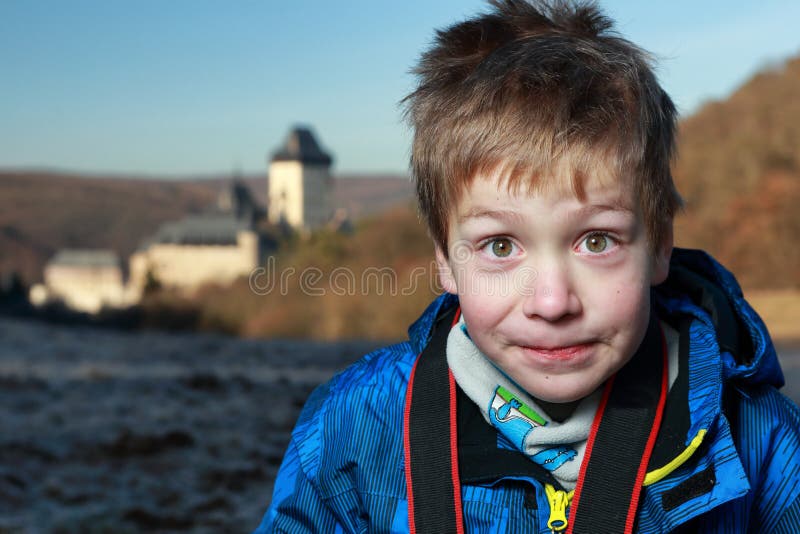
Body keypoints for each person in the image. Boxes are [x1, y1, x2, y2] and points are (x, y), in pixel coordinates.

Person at [254, 1, 800, 532]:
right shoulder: (353, 428)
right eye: (499, 247)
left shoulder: (759, 438)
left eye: (596, 240)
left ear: (658, 246)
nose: (552, 302)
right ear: (445, 259)